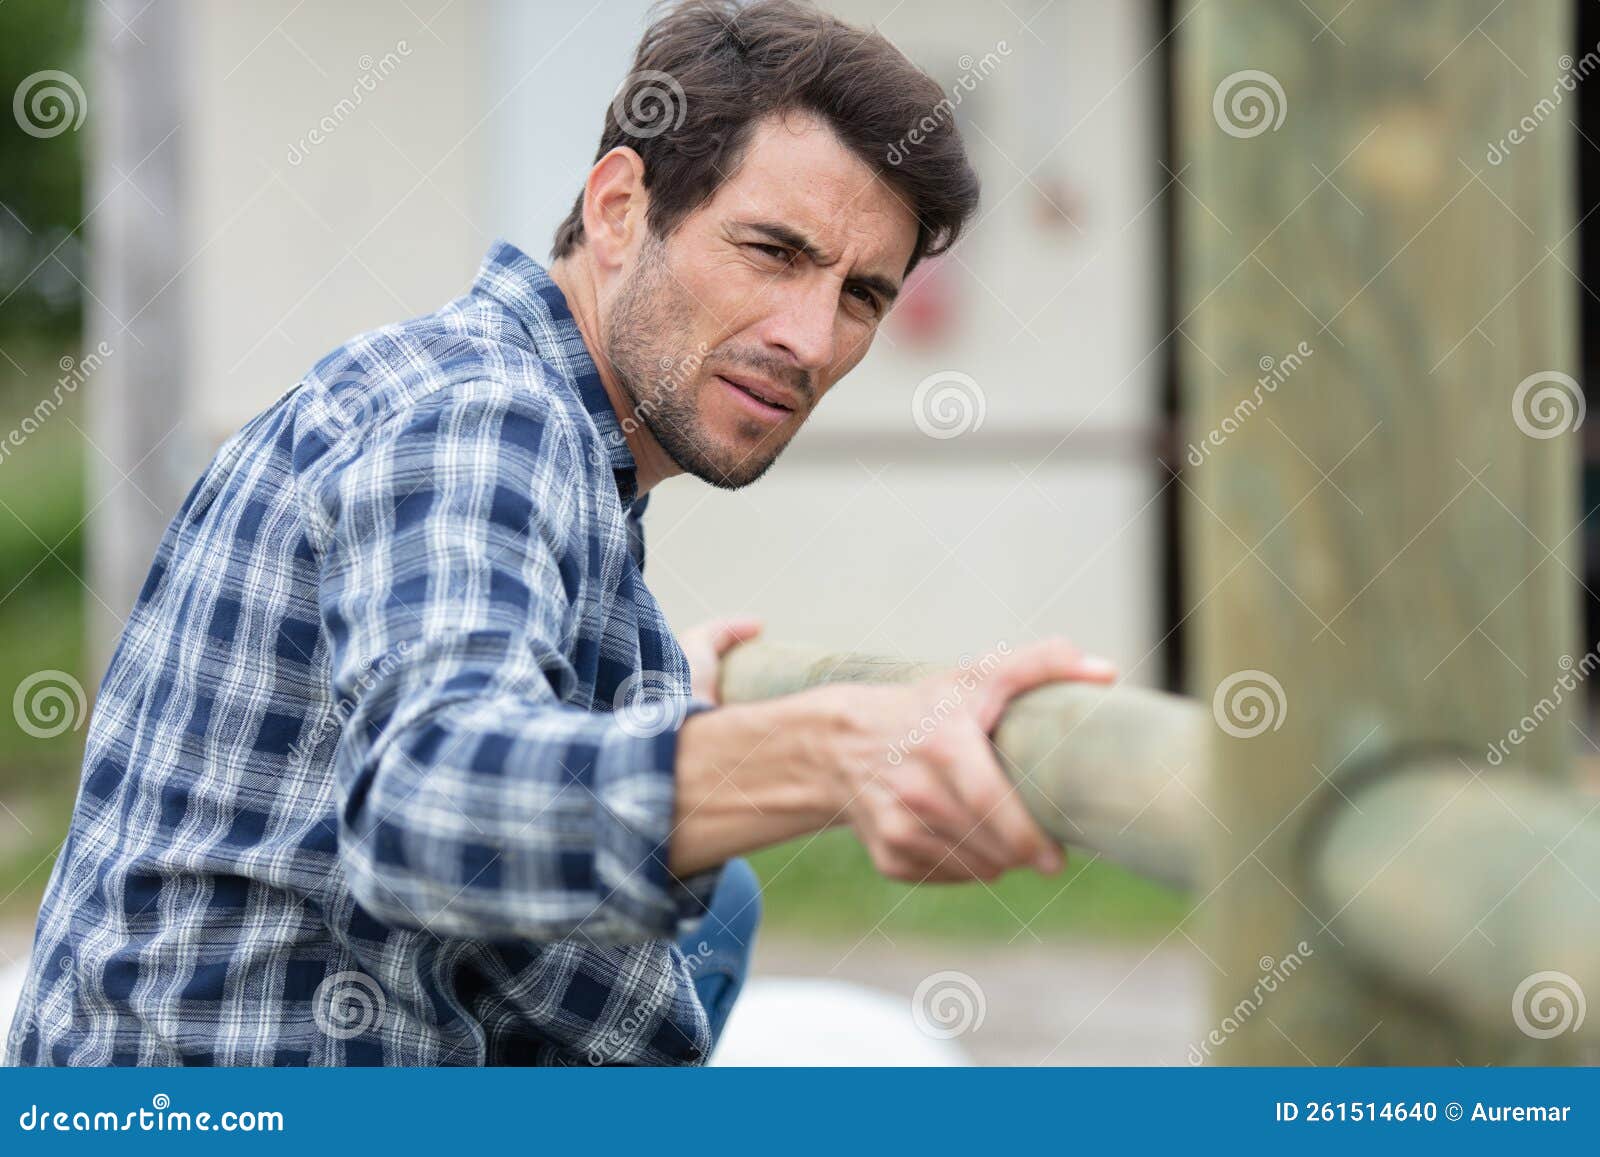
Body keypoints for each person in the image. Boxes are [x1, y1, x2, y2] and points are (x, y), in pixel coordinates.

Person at [7, 0, 1113, 1067]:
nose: (809, 338)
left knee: (712, 900)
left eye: (862, 295)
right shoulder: (486, 416)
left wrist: (664, 696)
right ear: (619, 208)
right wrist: (842, 745)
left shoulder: (537, 423)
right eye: (772, 251)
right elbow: (428, 796)